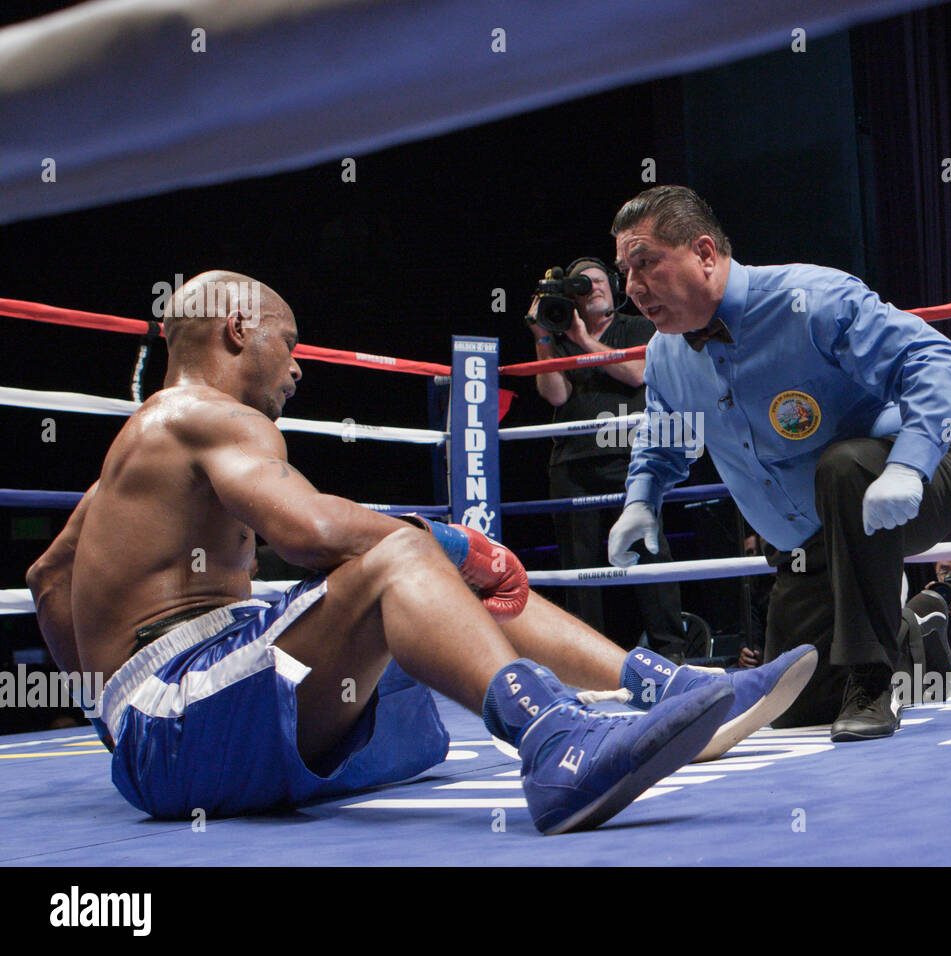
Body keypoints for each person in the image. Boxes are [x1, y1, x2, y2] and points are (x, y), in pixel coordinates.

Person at [23, 271, 816, 835]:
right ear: (237, 330)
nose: (297, 367)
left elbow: (48, 578)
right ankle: (556, 744)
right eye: (287, 343)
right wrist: (450, 541)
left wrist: (118, 719)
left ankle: (667, 689)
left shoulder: (128, 462)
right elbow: (308, 534)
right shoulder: (210, 413)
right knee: (403, 556)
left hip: (175, 722)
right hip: (185, 711)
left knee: (419, 574)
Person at [604, 185, 951, 741]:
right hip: (806, 543)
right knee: (796, 708)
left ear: (705, 253)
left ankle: (875, 679)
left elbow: (937, 359)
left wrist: (907, 465)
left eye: (645, 263)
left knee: (845, 466)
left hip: (911, 482)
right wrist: (641, 501)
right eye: (624, 271)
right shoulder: (665, 354)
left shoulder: (810, 299)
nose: (632, 288)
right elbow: (664, 436)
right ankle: (919, 630)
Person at [527, 257, 686, 655]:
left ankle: (670, 649)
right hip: (571, 462)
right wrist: (542, 335)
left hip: (630, 455)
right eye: (583, 284)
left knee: (649, 548)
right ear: (573, 298)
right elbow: (555, 394)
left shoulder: (638, 325)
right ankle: (588, 654)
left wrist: (583, 341)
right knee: (579, 563)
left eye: (599, 280)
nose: (594, 287)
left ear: (614, 287)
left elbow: (638, 373)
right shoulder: (557, 336)